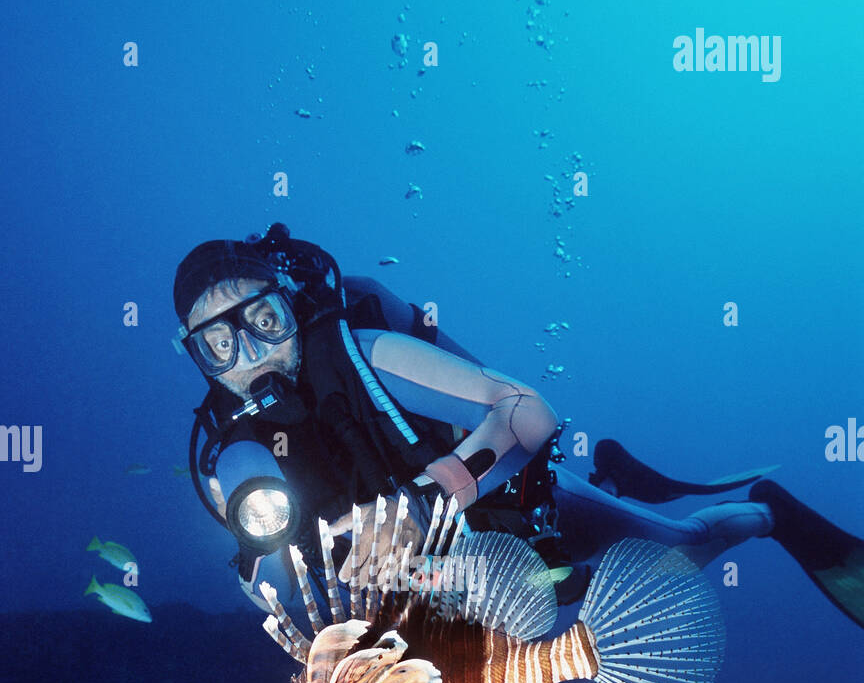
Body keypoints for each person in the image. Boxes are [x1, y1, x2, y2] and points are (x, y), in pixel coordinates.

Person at [172, 223, 864, 628]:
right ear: (198, 358)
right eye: (219, 345)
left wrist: (434, 498)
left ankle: (767, 514)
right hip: (456, 601)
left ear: (291, 305)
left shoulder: (364, 353)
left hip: (525, 515)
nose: (251, 355)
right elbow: (278, 600)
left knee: (681, 555)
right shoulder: (233, 457)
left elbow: (529, 412)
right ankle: (616, 479)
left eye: (262, 321)